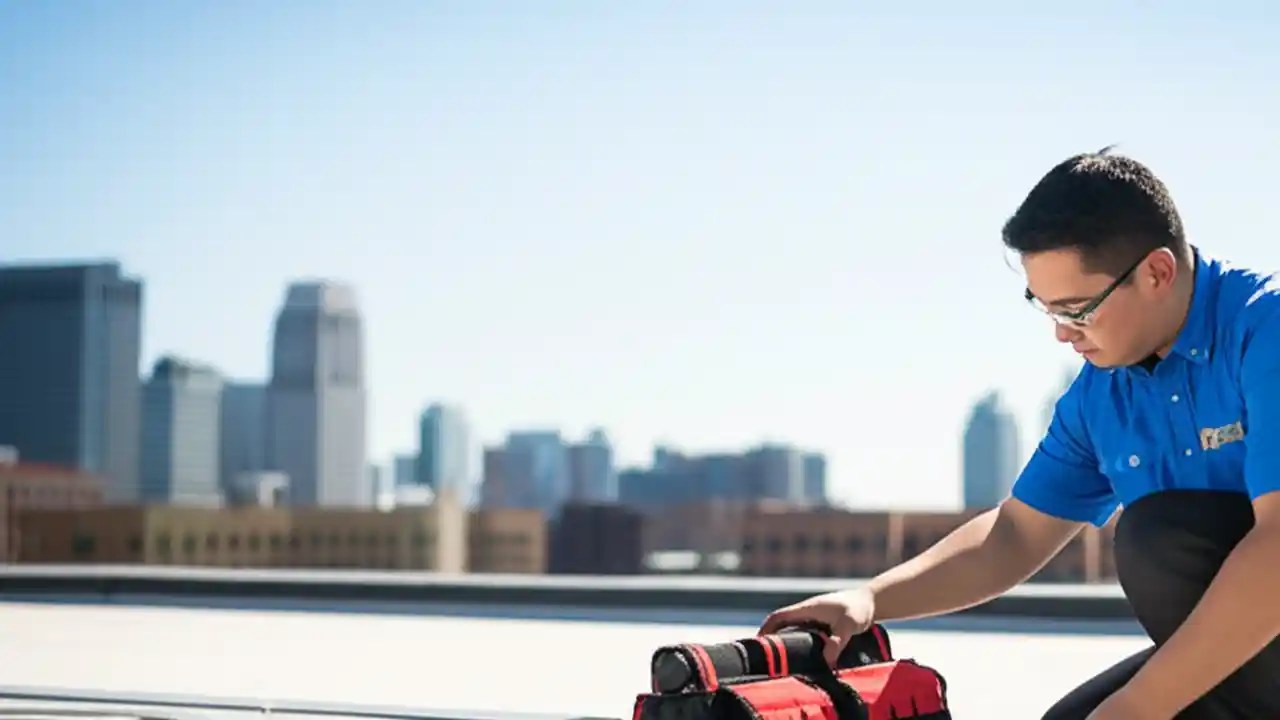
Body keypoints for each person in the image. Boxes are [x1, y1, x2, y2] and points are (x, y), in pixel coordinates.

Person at [757, 147, 1280, 719]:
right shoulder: (1101, 395)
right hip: (1243, 665)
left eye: (1078, 310)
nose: (1062, 334)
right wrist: (870, 598)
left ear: (1157, 273)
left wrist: (1141, 707)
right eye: (1047, 309)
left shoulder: (1266, 329)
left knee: (1158, 539)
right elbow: (1014, 535)